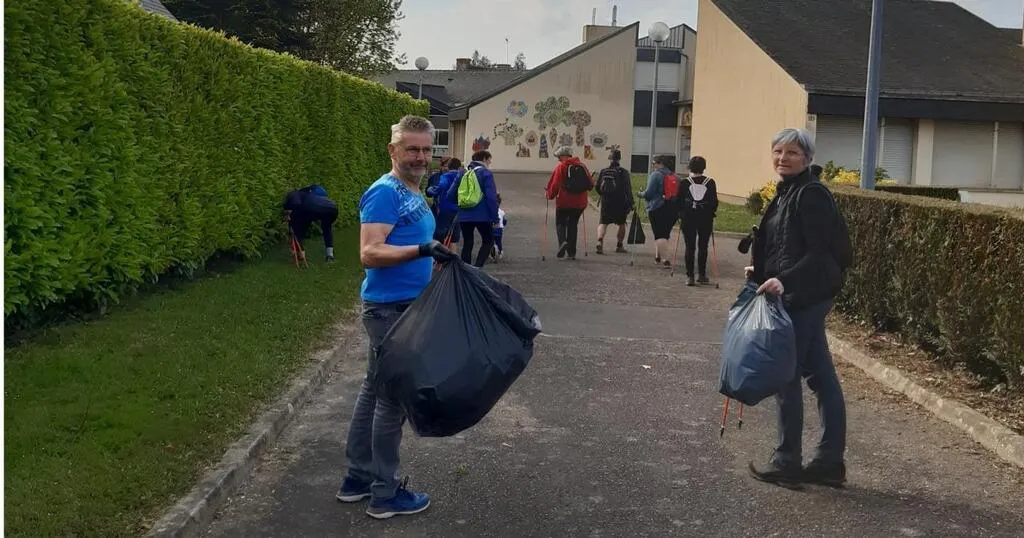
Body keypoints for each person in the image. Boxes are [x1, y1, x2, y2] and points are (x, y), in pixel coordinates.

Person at [337, 114, 456, 520]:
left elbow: (407, 241)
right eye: (412, 149)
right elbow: (369, 253)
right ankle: (385, 494)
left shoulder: (411, 191)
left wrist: (431, 255)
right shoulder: (384, 192)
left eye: (426, 149)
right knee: (392, 403)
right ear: (393, 150)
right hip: (391, 312)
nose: (421, 156)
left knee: (374, 392)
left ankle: (357, 479)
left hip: (405, 306)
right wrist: (422, 252)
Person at [746, 127, 848, 490]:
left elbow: (818, 252)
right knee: (820, 376)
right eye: (777, 151)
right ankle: (828, 463)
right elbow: (785, 243)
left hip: (806, 296)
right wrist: (762, 272)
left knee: (786, 376)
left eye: (791, 152)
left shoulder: (812, 194)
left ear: (807, 157)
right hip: (795, 295)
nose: (782, 157)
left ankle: (788, 461)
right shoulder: (787, 191)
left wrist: (785, 280)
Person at [448, 150, 499, 267]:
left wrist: (461, 204)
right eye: (489, 160)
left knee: (467, 242)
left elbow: (450, 194)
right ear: (485, 159)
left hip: (464, 215)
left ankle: (467, 271)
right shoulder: (486, 173)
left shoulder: (462, 173)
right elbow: (491, 198)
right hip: (483, 216)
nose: (489, 163)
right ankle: (477, 268)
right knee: (488, 240)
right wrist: (495, 218)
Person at [545, 145, 593, 260]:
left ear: (564, 156)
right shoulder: (582, 166)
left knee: (560, 223)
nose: (558, 159)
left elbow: (555, 184)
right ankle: (571, 253)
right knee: (573, 224)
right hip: (580, 203)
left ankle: (562, 243)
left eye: (559, 157)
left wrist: (549, 195)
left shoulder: (561, 167)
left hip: (564, 201)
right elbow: (590, 183)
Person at [679, 156, 719, 286]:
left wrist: (681, 214)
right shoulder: (710, 182)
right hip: (705, 218)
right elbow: (714, 202)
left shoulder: (685, 182)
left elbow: (679, 201)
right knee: (703, 246)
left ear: (690, 167)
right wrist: (711, 212)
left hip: (688, 218)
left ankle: (689, 276)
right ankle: (701, 275)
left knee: (689, 247)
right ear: (704, 167)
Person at [637, 155, 679, 266]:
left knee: (659, 234)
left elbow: (649, 193)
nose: (653, 166)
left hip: (657, 207)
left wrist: (640, 194)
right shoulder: (676, 177)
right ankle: (658, 256)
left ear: (659, 163)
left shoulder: (655, 175)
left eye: (653, 163)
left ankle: (665, 258)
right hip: (672, 209)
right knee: (665, 233)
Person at [283, 184, 339, 262]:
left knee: (297, 229)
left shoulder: (294, 194)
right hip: (333, 208)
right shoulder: (313, 194)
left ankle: (301, 253)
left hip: (311, 208)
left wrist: (289, 216)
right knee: (326, 228)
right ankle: (330, 255)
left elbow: (296, 204)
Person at [594, 149, 634, 254]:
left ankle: (599, 241)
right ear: (619, 159)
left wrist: (603, 195)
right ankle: (619, 246)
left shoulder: (604, 171)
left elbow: (597, 186)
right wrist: (630, 202)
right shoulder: (623, 172)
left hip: (606, 201)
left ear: (610, 158)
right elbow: (628, 188)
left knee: (603, 222)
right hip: (620, 202)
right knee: (621, 223)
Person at [426, 158, 463, 247]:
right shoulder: (463, 176)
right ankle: (453, 259)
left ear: (449, 167)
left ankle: (440, 258)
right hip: (458, 209)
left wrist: (431, 190)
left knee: (440, 235)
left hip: (445, 209)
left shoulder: (446, 176)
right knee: (453, 238)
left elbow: (440, 187)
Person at [491, 192, 508, 261]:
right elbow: (504, 221)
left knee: (491, 242)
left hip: (492, 228)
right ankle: (500, 251)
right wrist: (503, 226)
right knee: (498, 241)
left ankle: (493, 253)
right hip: (499, 229)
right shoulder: (501, 212)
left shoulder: (490, 211)